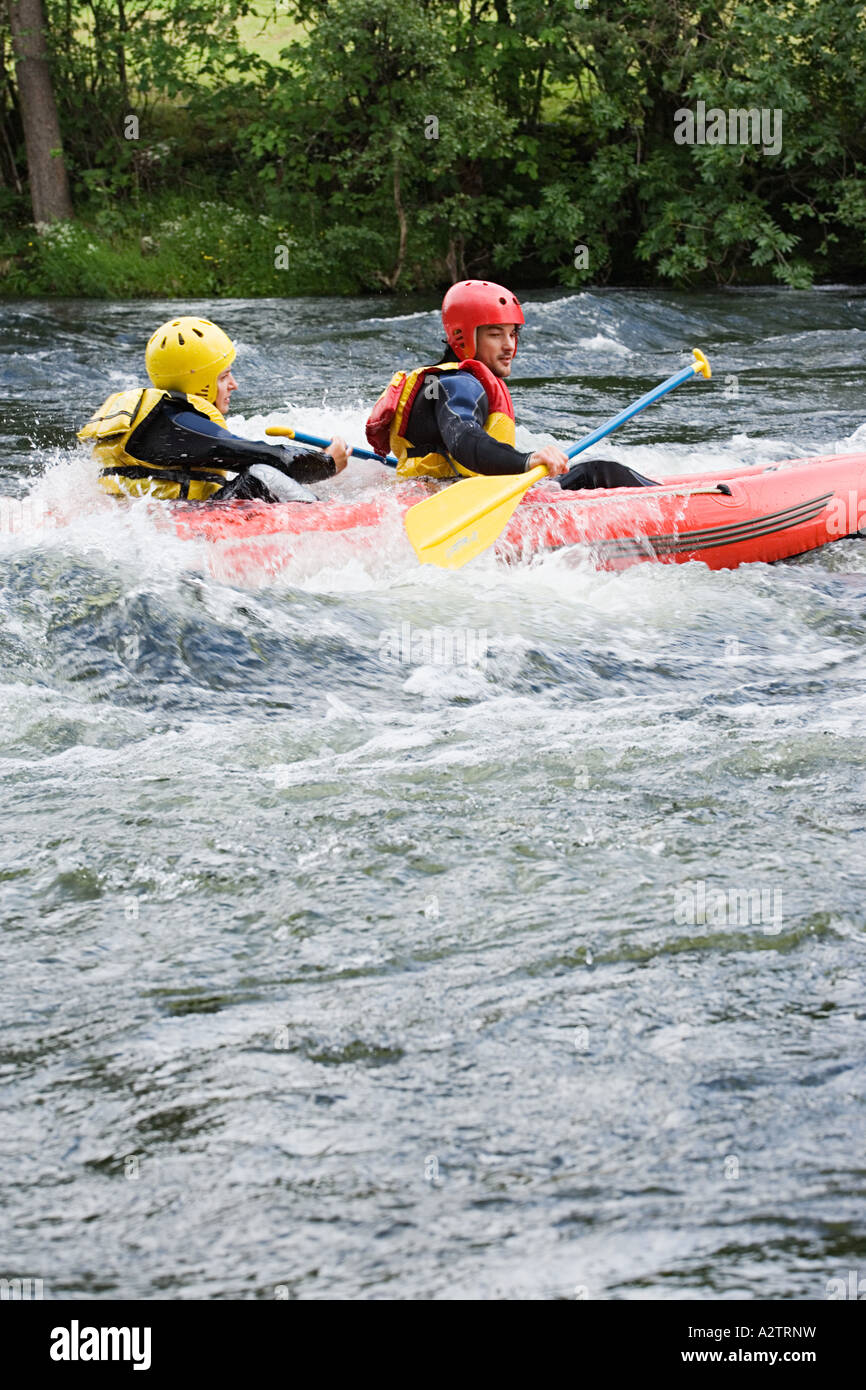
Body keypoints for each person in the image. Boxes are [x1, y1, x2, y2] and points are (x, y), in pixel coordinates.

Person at [366, 279, 657, 491]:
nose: (509, 346)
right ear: (462, 336)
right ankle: (677, 502)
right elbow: (465, 441)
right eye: (496, 334)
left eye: (513, 334)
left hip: (433, 491)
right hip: (454, 500)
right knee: (600, 472)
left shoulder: (438, 378)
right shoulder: (460, 385)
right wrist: (529, 460)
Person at [78, 317, 350, 503]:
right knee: (263, 473)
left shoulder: (157, 418)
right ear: (199, 382)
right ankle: (334, 524)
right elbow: (269, 458)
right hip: (181, 529)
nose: (234, 385)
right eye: (224, 377)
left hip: (157, 522)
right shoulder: (176, 423)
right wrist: (327, 462)